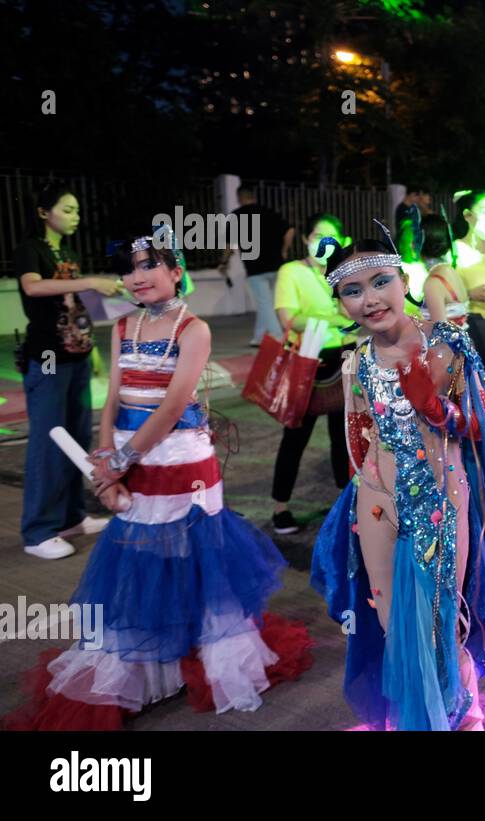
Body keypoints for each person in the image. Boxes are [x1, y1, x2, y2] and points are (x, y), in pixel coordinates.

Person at [4, 228, 311, 730]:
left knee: (192, 555)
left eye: (148, 265)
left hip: (182, 461)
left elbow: (171, 407)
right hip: (131, 457)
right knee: (141, 558)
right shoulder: (123, 326)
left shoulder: (194, 329)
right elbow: (113, 400)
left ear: (176, 272)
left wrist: (118, 463)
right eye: (127, 268)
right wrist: (104, 459)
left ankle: (196, 652)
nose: (136, 277)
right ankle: (147, 665)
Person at [309, 235, 485, 729]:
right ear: (341, 302)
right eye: (353, 291)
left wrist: (437, 408)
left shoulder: (447, 342)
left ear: (405, 281)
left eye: (381, 282)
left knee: (442, 619)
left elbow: (482, 424)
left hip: (441, 499)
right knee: (391, 622)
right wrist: (368, 488)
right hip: (378, 503)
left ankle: (462, 711)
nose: (371, 298)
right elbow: (358, 433)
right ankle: (422, 718)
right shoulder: (356, 359)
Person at [14, 182, 120, 560]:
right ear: (44, 213)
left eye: (77, 210)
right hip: (47, 357)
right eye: (68, 209)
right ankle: (38, 531)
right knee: (48, 440)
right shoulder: (32, 250)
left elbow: (76, 306)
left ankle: (71, 517)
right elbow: (32, 287)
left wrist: (92, 351)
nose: (76, 217)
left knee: (76, 437)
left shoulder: (69, 252)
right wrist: (91, 280)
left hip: (76, 356)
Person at [268, 213, 357, 534]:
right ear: (306, 238)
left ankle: (346, 498)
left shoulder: (342, 274)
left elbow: (355, 315)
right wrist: (330, 318)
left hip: (343, 357)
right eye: (318, 234)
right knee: (296, 435)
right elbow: (288, 319)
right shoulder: (291, 272)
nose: (324, 242)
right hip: (309, 359)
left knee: (343, 435)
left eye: (331, 237)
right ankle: (281, 506)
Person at [430, 191, 485, 438]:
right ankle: (470, 445)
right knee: (468, 388)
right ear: (468, 215)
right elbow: (442, 294)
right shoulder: (453, 253)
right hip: (464, 327)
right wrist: (470, 294)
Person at [222, 186, 294, 347]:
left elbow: (229, 244)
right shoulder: (269, 212)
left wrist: (223, 262)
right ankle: (259, 337)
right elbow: (290, 231)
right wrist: (284, 250)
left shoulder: (236, 216)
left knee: (265, 303)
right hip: (277, 265)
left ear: (239, 198)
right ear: (253, 197)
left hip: (255, 267)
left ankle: (278, 337)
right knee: (271, 303)